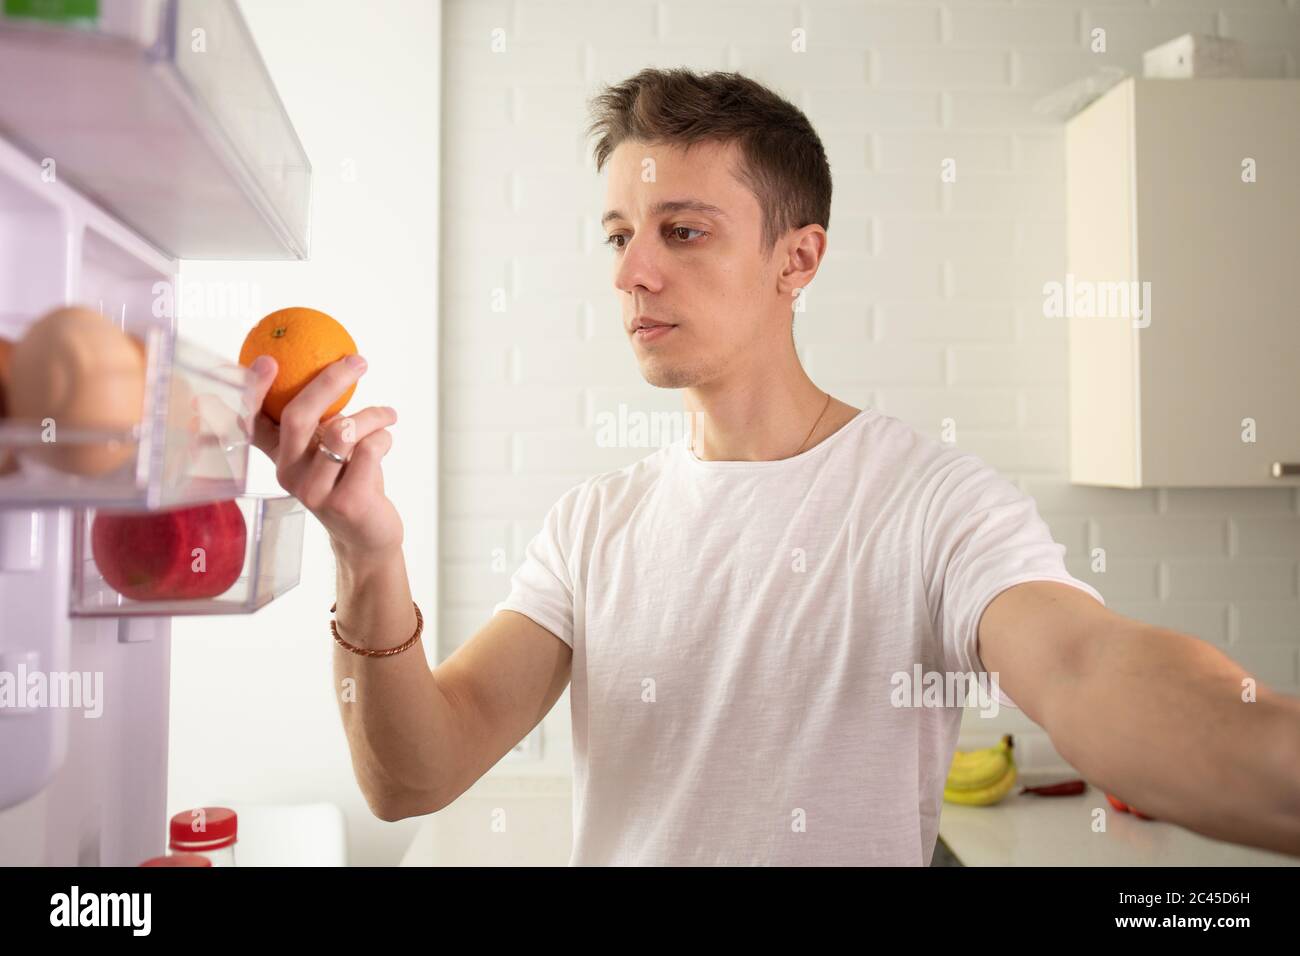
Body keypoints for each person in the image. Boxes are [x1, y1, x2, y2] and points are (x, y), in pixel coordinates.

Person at [247, 67, 1300, 866]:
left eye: (683, 230)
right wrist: (365, 551)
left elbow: (1084, 668)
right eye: (617, 234)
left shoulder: (930, 503)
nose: (632, 271)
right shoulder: (591, 524)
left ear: (796, 259)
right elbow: (410, 776)